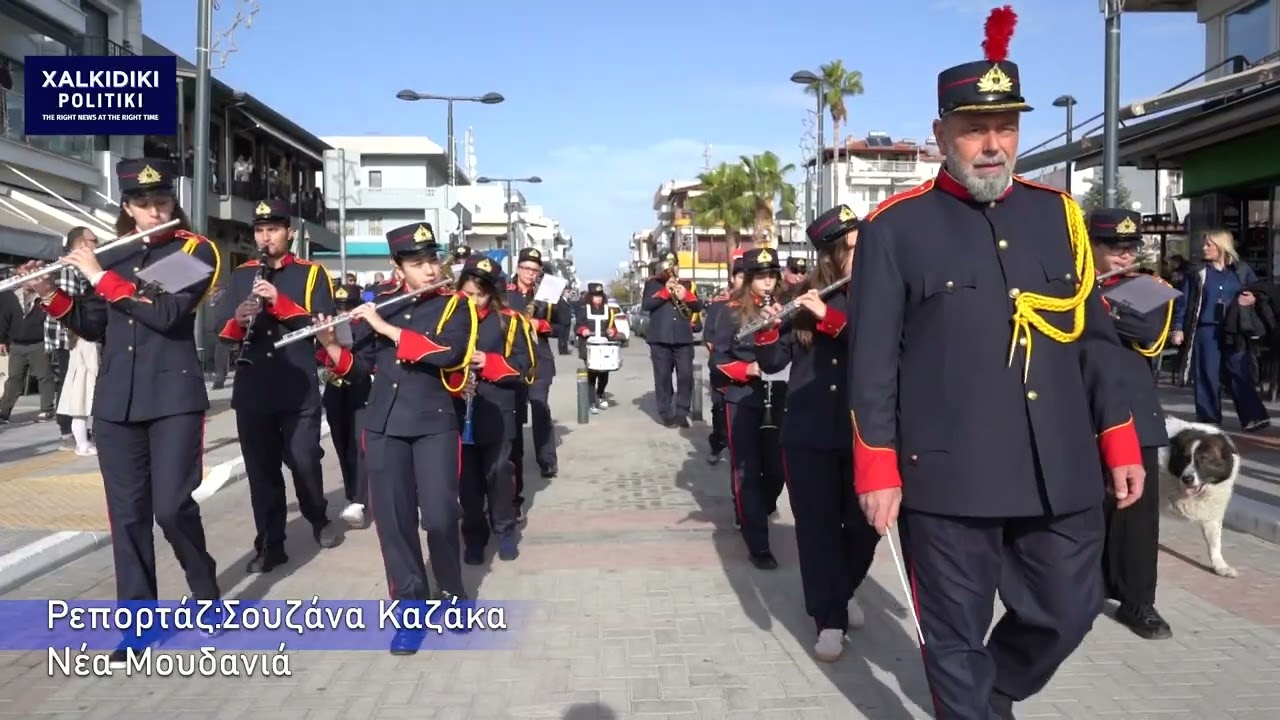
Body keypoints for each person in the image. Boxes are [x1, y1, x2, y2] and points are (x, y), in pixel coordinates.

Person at [845, 8, 1145, 716]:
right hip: (946, 475)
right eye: (975, 130)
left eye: (1005, 128)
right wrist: (876, 464)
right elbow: (872, 359)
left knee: (1070, 610)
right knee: (952, 638)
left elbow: (1094, 340)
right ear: (941, 134)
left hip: (1061, 467)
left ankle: (994, 692)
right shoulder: (896, 229)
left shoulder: (1058, 216)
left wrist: (1120, 438)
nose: (992, 145)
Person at [19, 157, 223, 666]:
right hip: (116, 402)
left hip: (172, 399)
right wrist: (50, 293)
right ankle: (137, 624)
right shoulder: (115, 254)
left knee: (171, 508)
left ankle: (205, 590)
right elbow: (93, 324)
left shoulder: (194, 251)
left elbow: (164, 313)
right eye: (144, 205)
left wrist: (96, 272)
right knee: (127, 517)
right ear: (127, 208)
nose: (155, 212)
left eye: (162, 203)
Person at [316, 221, 476, 655]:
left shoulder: (455, 305)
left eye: (432, 260)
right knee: (394, 523)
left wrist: (386, 329)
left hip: (433, 422)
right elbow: (356, 370)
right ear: (397, 267)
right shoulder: (380, 303)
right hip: (383, 426)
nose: (428, 269)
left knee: (441, 516)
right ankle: (410, 611)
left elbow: (450, 353)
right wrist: (331, 343)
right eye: (417, 263)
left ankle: (453, 592)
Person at [752, 205, 879, 662]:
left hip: (865, 429)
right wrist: (767, 330)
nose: (863, 246)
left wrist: (830, 317)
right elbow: (771, 364)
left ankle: (842, 590)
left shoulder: (878, 290)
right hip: (807, 429)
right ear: (837, 247)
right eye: (855, 240)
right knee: (817, 529)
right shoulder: (804, 292)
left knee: (866, 527)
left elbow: (885, 347)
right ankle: (828, 618)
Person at [216, 198, 339, 574]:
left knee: (303, 460)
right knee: (261, 472)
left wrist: (279, 302)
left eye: (273, 229)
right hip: (254, 387)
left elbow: (322, 325)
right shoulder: (242, 275)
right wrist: (238, 318)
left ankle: (318, 517)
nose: (265, 237)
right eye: (260, 230)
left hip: (296, 385)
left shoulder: (312, 273)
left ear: (290, 233)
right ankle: (271, 544)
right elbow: (221, 332)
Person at [1087, 209, 1175, 640]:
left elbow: (1145, 327)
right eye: (1113, 247)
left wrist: (1093, 304)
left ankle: (1139, 602)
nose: (1124, 255)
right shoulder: (1073, 282)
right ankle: (1085, 590)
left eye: (1129, 247)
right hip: (1081, 410)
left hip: (1132, 410)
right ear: (1093, 246)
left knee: (1135, 517)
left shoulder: (1145, 286)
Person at [708, 248, 787, 570]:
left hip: (778, 396)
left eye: (772, 276)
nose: (768, 283)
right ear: (749, 279)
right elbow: (719, 359)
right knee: (747, 470)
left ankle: (757, 511)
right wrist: (747, 370)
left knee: (778, 469)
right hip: (742, 398)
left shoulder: (785, 308)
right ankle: (758, 542)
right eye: (761, 277)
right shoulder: (732, 311)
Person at [454, 256, 535, 565]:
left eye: (480, 294)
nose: (473, 301)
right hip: (458, 409)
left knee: (500, 475)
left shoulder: (509, 321)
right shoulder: (447, 318)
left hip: (497, 410)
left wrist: (489, 363)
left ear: (492, 294)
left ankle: (505, 530)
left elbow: (526, 366)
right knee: (467, 482)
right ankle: (474, 536)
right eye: (468, 293)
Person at [1171, 229, 1270, 430]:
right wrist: (1178, 328)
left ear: (1222, 246)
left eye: (1209, 244)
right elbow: (1183, 301)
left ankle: (1253, 416)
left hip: (1234, 328)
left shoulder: (1241, 270)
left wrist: (1253, 298)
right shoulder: (1197, 272)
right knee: (1207, 373)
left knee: (1240, 371)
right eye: (1204, 244)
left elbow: (1260, 291)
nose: (1204, 248)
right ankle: (1209, 418)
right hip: (1205, 329)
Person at [507, 247, 561, 495]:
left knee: (540, 409)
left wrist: (543, 324)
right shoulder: (503, 293)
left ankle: (546, 458)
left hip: (539, 360)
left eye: (535, 270)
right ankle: (513, 459)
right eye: (526, 268)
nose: (530, 273)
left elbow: (564, 323)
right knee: (515, 413)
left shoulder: (547, 294)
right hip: (512, 361)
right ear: (518, 268)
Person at [320, 282, 372, 528]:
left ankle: (360, 501)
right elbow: (318, 356)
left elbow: (369, 360)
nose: (344, 313)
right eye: (340, 308)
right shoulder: (330, 325)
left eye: (348, 307)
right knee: (342, 446)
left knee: (359, 445)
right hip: (335, 390)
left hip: (360, 391)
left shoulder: (367, 326)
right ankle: (352, 494)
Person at [48, 226, 98, 447]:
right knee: (74, 384)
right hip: (71, 337)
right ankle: (69, 431)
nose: (96, 245)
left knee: (76, 383)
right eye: (93, 240)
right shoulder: (70, 268)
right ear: (82, 244)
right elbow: (72, 304)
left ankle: (76, 429)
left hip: (75, 336)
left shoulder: (74, 267)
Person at [642, 252, 704, 428]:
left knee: (685, 376)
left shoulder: (687, 284)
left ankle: (682, 412)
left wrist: (686, 296)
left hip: (683, 339)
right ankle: (665, 412)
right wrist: (665, 292)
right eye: (667, 266)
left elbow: (698, 306)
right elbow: (647, 305)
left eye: (673, 265)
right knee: (663, 378)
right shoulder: (653, 284)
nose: (671, 269)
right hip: (660, 338)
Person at [702, 253, 745, 465]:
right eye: (740, 276)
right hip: (723, 369)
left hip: (747, 375)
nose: (743, 281)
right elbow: (709, 336)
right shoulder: (720, 306)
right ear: (732, 279)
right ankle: (717, 445)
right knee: (720, 412)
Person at [0, 284, 55, 423]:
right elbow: (4, 318)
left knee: (44, 377)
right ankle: (3, 412)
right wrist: (2, 340)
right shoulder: (11, 297)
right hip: (17, 344)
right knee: (14, 379)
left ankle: (46, 410)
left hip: (38, 343)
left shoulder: (42, 296)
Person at [55, 328, 100, 456]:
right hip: (84, 380)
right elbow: (93, 364)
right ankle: (83, 445)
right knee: (81, 413)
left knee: (78, 415)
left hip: (74, 379)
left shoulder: (74, 341)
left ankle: (82, 443)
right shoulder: (87, 342)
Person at [575, 282, 619, 412]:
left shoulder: (608, 310)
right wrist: (583, 330)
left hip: (604, 346)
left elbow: (613, 327)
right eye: (595, 296)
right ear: (590, 297)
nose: (598, 299)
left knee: (604, 374)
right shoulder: (584, 309)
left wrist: (612, 331)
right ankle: (591, 402)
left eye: (600, 296)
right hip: (589, 346)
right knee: (592, 374)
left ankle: (600, 394)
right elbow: (577, 326)